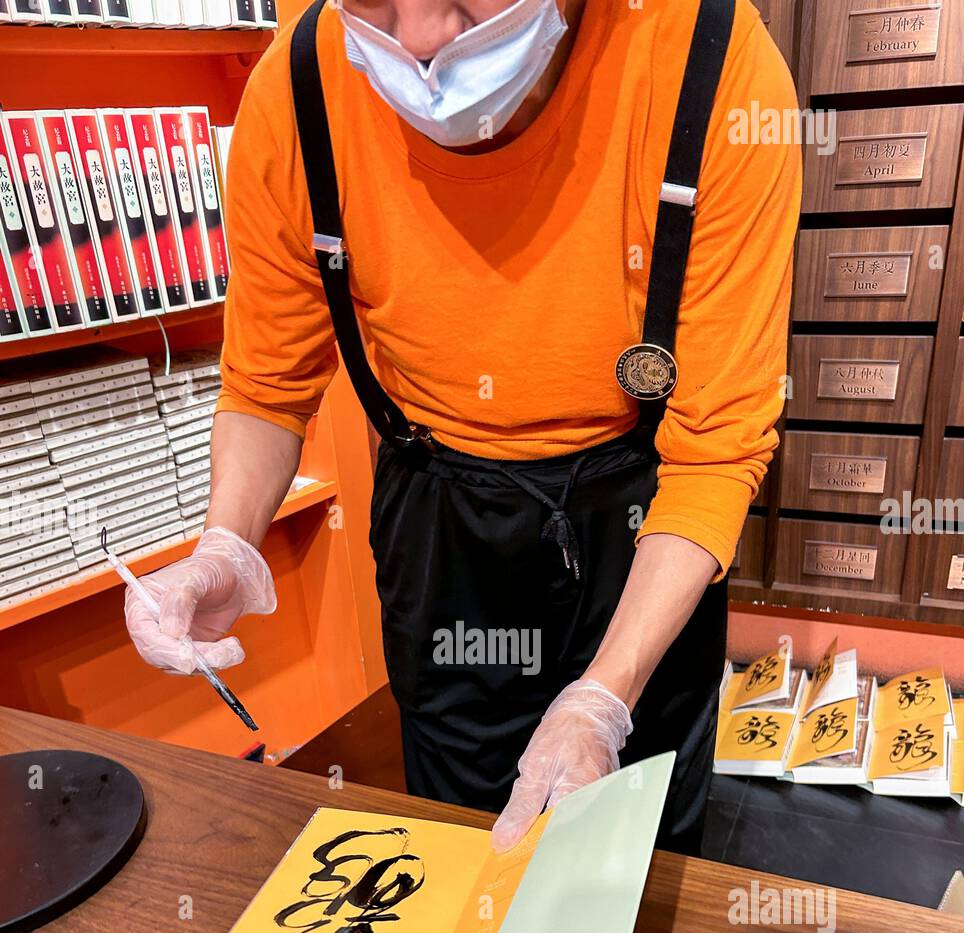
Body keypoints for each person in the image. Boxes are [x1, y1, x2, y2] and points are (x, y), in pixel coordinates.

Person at [124, 0, 801, 854]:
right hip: (441, 519)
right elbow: (267, 381)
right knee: (461, 832)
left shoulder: (710, 62)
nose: (418, 38)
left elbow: (716, 446)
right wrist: (227, 544)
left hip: (646, 518)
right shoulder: (298, 85)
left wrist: (604, 694)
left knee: (637, 835)